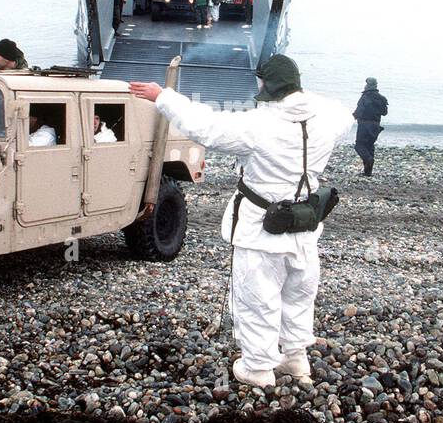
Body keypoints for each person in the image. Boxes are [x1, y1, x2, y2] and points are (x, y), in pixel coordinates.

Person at [128, 55, 355, 387]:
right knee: (298, 296)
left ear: (266, 85)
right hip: (304, 227)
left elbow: (204, 126)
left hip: (261, 229)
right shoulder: (328, 119)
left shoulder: (257, 127)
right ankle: (295, 360)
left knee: (257, 298)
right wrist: (307, 101)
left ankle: (259, 368)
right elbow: (346, 115)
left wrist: (162, 96)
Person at [353, 77, 389, 177]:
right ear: (376, 85)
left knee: (359, 145)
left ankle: (368, 160)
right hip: (375, 126)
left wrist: (350, 118)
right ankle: (368, 172)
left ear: (368, 86)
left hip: (364, 125)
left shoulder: (365, 97)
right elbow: (385, 113)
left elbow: (359, 112)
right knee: (369, 146)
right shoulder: (381, 98)